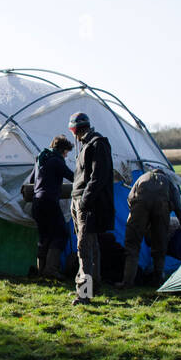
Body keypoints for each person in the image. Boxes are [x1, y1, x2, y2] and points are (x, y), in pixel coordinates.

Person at [68, 111, 113, 305]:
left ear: (74, 129)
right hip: (79, 201)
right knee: (90, 246)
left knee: (84, 248)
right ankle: (91, 287)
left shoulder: (97, 144)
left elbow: (98, 178)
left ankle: (85, 294)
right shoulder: (88, 144)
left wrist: (84, 202)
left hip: (87, 204)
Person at [122, 165, 181, 289]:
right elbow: (179, 208)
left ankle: (127, 282)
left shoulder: (142, 178)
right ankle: (157, 280)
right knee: (159, 246)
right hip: (161, 209)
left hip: (139, 207)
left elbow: (130, 199)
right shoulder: (168, 182)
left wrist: (139, 219)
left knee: (132, 246)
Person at [30, 135, 74, 280]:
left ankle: (40, 270)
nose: (66, 155)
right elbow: (71, 176)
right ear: (62, 150)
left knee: (44, 236)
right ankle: (51, 269)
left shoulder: (40, 159)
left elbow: (32, 180)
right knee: (62, 233)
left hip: (36, 202)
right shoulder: (56, 160)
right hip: (49, 201)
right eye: (66, 152)